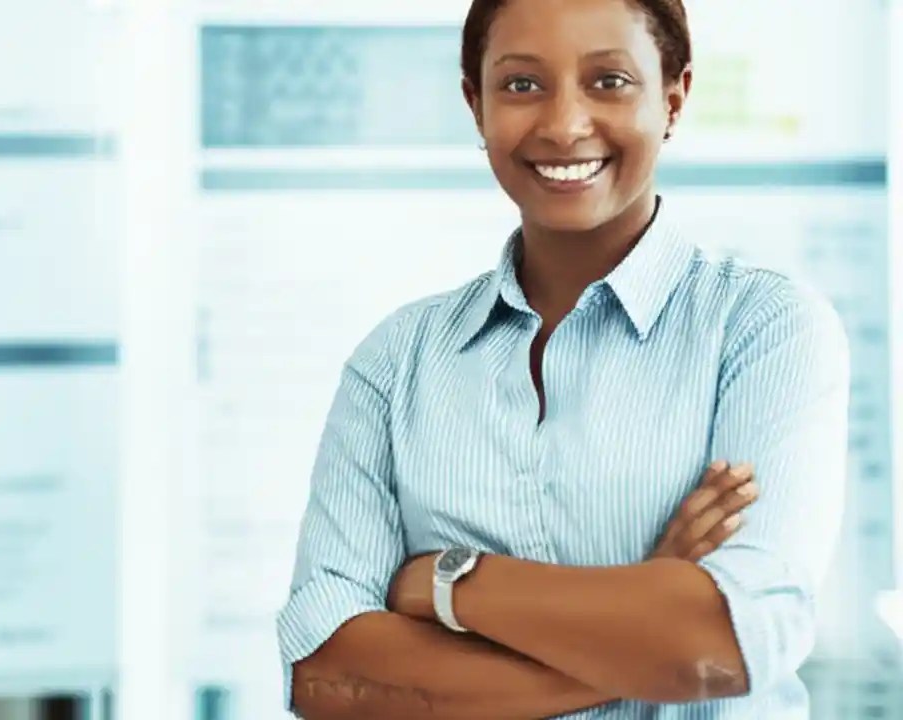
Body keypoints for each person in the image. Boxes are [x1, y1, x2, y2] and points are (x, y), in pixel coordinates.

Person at [275, 0, 850, 717]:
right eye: (521, 85)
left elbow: (725, 645)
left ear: (672, 100)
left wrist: (450, 585)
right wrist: (648, 615)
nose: (564, 124)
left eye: (609, 81)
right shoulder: (394, 364)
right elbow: (328, 679)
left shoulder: (763, 331)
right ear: (475, 105)